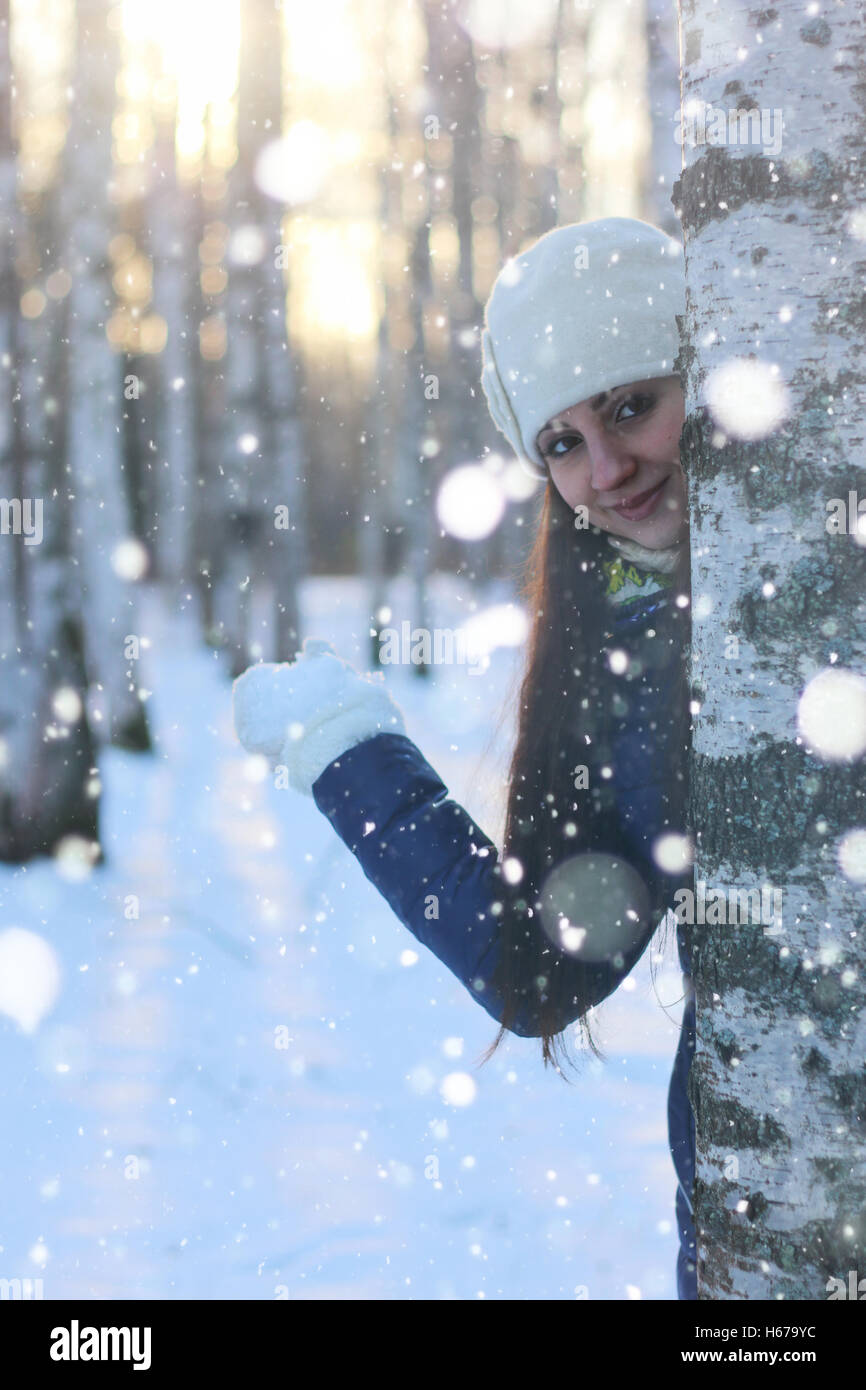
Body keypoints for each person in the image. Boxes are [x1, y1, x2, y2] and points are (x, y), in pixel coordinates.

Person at [232, 216, 698, 1300]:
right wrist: (348, 750)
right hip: (753, 1221)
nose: (605, 468)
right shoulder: (621, 654)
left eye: (631, 405)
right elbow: (535, 966)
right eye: (560, 442)